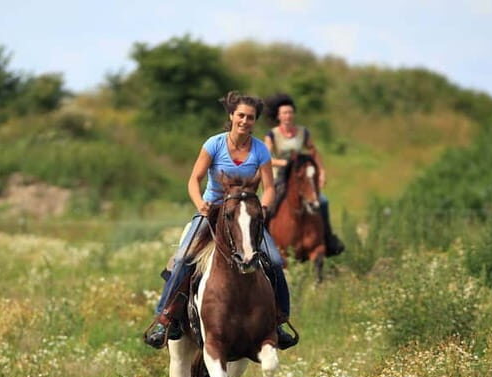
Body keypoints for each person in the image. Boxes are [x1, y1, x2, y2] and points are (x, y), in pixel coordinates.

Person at [143, 91, 298, 350]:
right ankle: (165, 318)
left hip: (245, 214)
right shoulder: (214, 144)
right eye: (241, 116)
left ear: (255, 121)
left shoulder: (260, 150)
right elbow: (194, 179)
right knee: (182, 259)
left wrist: (265, 206)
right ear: (231, 116)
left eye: (250, 117)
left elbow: (269, 187)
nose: (245, 121)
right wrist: (200, 204)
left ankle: (280, 321)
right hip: (213, 211)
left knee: (274, 260)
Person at [263, 93, 344, 256]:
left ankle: (328, 239)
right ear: (278, 116)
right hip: (280, 177)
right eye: (284, 113)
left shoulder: (303, 132)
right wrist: (283, 163)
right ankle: (262, 243)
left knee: (323, 201)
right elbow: (266, 158)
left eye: (290, 112)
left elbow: (314, 152)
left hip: (300, 176)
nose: (288, 116)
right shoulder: (272, 135)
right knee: (266, 206)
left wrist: (321, 171)